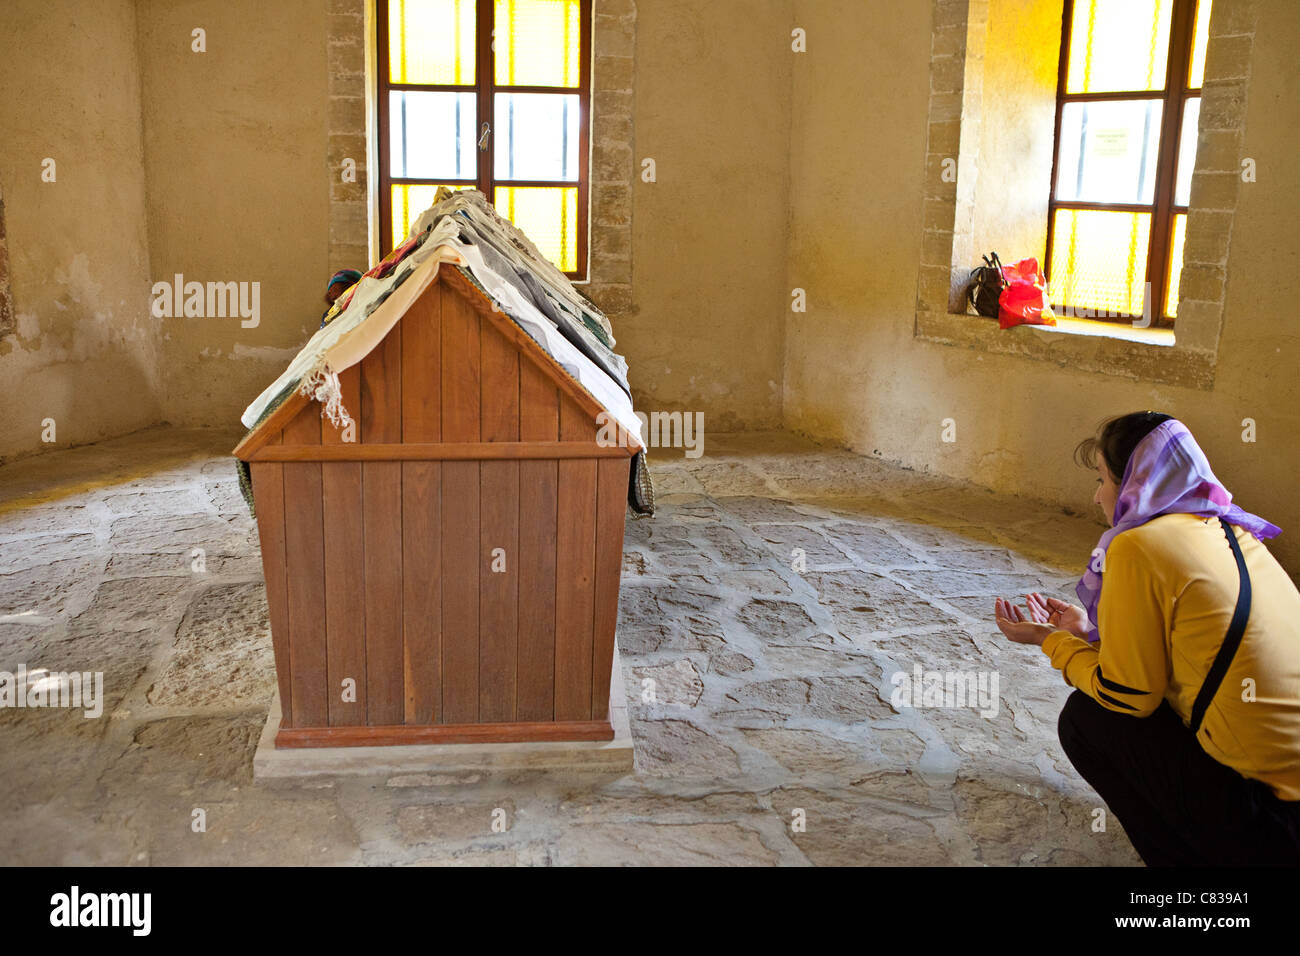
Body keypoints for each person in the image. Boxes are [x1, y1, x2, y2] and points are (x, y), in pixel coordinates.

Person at [993, 411, 1300, 865]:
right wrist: (1088, 632)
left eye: (1102, 478)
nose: (1097, 496)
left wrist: (1051, 642)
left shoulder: (1138, 546)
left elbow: (1128, 696)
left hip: (1277, 823)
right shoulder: (1231, 527)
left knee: (1087, 720)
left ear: (1137, 481)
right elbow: (1191, 644)